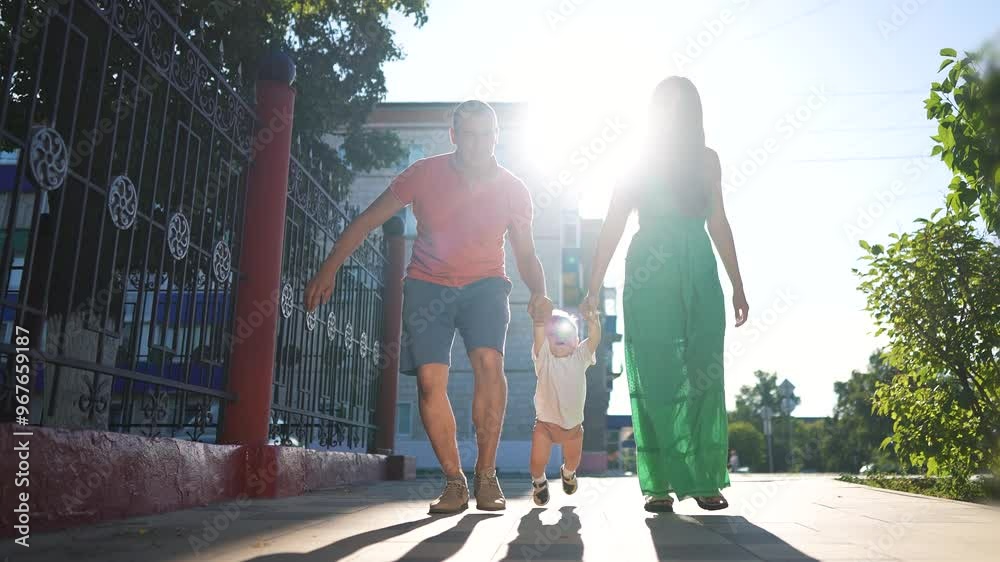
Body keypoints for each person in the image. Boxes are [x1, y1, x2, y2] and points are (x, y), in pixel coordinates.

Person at [304, 100, 552, 514]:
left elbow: (525, 254)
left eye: (485, 135)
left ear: (496, 137)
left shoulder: (513, 189)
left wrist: (540, 291)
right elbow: (368, 219)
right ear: (454, 136)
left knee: (490, 365)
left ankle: (486, 475)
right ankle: (454, 482)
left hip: (486, 286)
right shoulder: (422, 174)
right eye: (467, 134)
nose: (476, 143)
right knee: (428, 381)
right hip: (427, 285)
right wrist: (328, 268)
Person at [581, 76, 749, 513]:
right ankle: (658, 484)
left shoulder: (708, 161)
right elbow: (613, 221)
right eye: (666, 106)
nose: (674, 114)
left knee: (702, 375)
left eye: (683, 106)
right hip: (649, 272)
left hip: (699, 268)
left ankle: (705, 479)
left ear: (693, 113)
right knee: (657, 377)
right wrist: (593, 286)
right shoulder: (636, 162)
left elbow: (720, 223)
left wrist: (738, 285)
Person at [528, 303, 600, 506]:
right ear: (545, 341)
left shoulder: (580, 356)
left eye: (567, 333)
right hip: (546, 425)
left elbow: (594, 339)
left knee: (573, 460)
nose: (560, 337)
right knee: (536, 463)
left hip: (574, 428)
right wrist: (540, 320)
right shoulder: (544, 357)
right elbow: (539, 334)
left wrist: (593, 321)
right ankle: (539, 482)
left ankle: (568, 474)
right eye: (553, 333)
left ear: (577, 341)